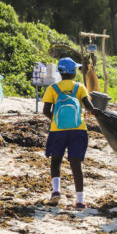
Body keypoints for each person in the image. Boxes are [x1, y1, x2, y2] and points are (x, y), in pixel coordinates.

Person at [42, 57, 98, 209]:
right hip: (78, 130)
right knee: (76, 165)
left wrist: (56, 120)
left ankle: (56, 191)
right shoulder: (79, 88)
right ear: (74, 73)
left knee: (55, 161)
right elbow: (90, 107)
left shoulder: (52, 89)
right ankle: (79, 200)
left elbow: (45, 111)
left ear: (60, 72)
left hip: (57, 131)